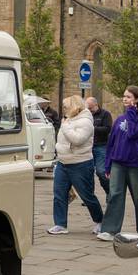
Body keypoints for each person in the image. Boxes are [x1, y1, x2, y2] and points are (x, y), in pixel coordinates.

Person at [98, 86, 138, 242]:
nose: (125, 99)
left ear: (136, 99)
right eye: (124, 96)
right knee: (115, 195)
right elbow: (111, 144)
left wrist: (131, 113)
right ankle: (109, 230)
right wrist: (108, 165)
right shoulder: (119, 120)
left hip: (136, 164)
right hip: (118, 163)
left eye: (129, 97)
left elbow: (133, 133)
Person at [48, 96, 104, 236]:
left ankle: (100, 221)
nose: (64, 109)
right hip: (63, 162)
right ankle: (60, 224)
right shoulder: (67, 120)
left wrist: (65, 127)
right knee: (59, 194)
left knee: (87, 195)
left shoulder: (85, 121)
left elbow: (78, 140)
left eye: (66, 106)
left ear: (74, 107)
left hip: (81, 163)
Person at [86, 96, 113, 195]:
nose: (89, 110)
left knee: (101, 172)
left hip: (101, 146)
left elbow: (108, 129)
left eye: (91, 108)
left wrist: (93, 128)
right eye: (88, 108)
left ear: (96, 105)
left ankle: (110, 193)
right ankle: (89, 196)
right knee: (88, 174)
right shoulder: (86, 115)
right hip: (88, 147)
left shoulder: (105, 114)